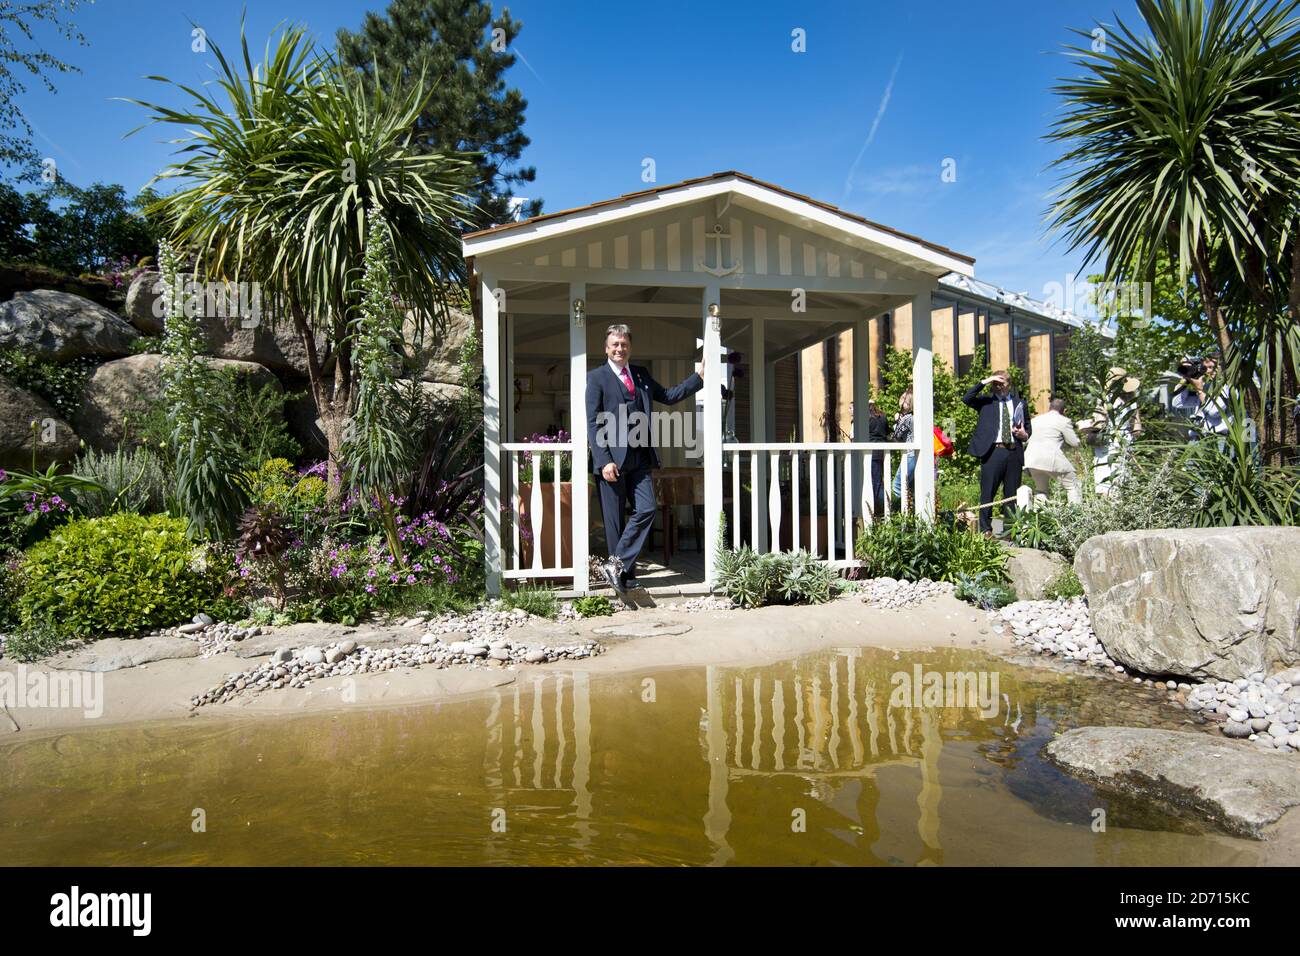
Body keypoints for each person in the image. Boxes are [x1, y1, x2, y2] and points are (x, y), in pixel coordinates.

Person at [586, 324, 703, 593]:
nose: (619, 349)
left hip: (640, 457)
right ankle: (624, 577)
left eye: (624, 344)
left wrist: (699, 377)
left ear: (630, 347)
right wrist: (604, 460)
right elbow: (593, 423)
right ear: (606, 348)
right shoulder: (597, 378)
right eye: (614, 344)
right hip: (612, 462)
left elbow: (670, 396)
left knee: (647, 509)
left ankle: (615, 566)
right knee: (615, 523)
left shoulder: (641, 375)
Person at [963, 369, 1031, 535]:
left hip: (1013, 452)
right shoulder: (986, 402)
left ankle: (1010, 531)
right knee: (988, 493)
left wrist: (1024, 435)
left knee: (1011, 494)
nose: (999, 387)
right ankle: (986, 529)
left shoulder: (1019, 403)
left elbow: (1028, 428)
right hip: (993, 452)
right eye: (996, 384)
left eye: (1002, 384)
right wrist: (986, 380)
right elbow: (967, 398)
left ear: (1009, 385)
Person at [1023, 397, 1081, 503]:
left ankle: (1039, 517)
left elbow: (1026, 440)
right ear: (1063, 410)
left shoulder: (1035, 420)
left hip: (1032, 459)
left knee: (1041, 491)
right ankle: (1076, 515)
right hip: (1051, 458)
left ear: (1049, 408)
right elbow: (1074, 443)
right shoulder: (1064, 421)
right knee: (1074, 486)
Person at [1171, 355, 1229, 438]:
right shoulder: (1206, 387)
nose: (1210, 370)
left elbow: (1215, 412)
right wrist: (1187, 377)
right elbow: (1177, 403)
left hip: (1217, 439)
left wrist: (1200, 391)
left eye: (1212, 367)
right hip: (1197, 439)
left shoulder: (1227, 387)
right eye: (1206, 367)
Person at [890, 388, 917, 505]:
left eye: (903, 401)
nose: (901, 402)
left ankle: (909, 508)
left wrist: (896, 421)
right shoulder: (916, 416)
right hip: (915, 454)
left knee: (897, 485)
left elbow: (896, 437)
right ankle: (915, 509)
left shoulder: (906, 418)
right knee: (911, 486)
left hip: (910, 454)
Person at [867, 400, 890, 515]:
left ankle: (882, 507)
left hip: (872, 453)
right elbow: (887, 432)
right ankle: (882, 506)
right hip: (882, 452)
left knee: (876, 482)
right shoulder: (883, 417)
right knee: (879, 480)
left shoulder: (867, 419)